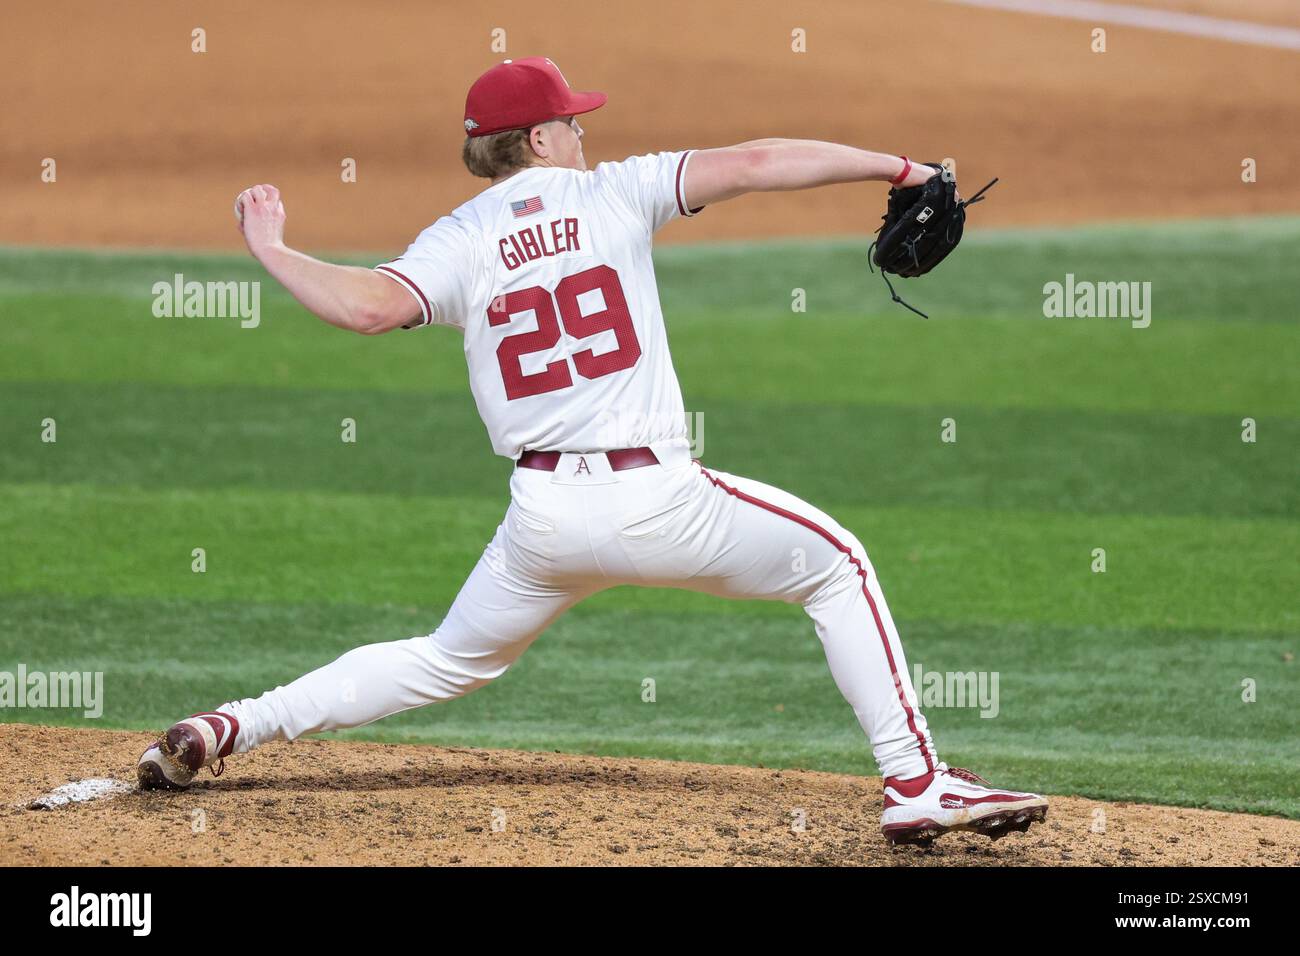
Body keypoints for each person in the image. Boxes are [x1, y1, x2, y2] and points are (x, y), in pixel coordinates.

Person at [139, 56, 1047, 845]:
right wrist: (902, 166)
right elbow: (761, 162)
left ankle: (229, 727)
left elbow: (368, 306)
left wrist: (272, 247)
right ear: (537, 140)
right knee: (836, 565)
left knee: (449, 658)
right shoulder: (615, 190)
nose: (582, 133)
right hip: (660, 502)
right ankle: (917, 782)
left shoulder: (457, 239)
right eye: (570, 122)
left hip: (543, 523)